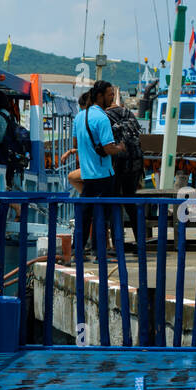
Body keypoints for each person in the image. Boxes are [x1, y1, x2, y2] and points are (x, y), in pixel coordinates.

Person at [62, 80, 124, 259]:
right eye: (110, 94)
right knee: (102, 216)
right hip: (104, 174)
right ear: (100, 96)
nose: (112, 98)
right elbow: (107, 149)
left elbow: (76, 143)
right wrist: (120, 148)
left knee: (84, 215)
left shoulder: (79, 116)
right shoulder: (102, 118)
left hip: (87, 174)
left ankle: (78, 251)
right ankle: (99, 253)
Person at [107, 93, 145, 245]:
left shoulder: (106, 116)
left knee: (114, 202)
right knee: (131, 202)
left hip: (117, 163)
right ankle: (140, 241)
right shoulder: (128, 113)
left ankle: (117, 243)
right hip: (135, 164)